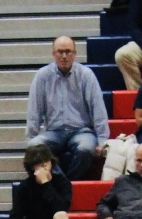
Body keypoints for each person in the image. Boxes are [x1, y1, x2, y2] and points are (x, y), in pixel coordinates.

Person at [25, 37, 109, 182]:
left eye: (68, 52)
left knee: (86, 149)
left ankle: (67, 183)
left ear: (75, 53)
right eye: (60, 52)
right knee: (35, 147)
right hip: (53, 132)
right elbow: (34, 111)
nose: (64, 56)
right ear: (53, 53)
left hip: (81, 131)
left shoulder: (86, 75)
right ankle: (61, 181)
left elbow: (98, 109)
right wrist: (31, 138)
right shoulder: (42, 76)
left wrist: (102, 140)